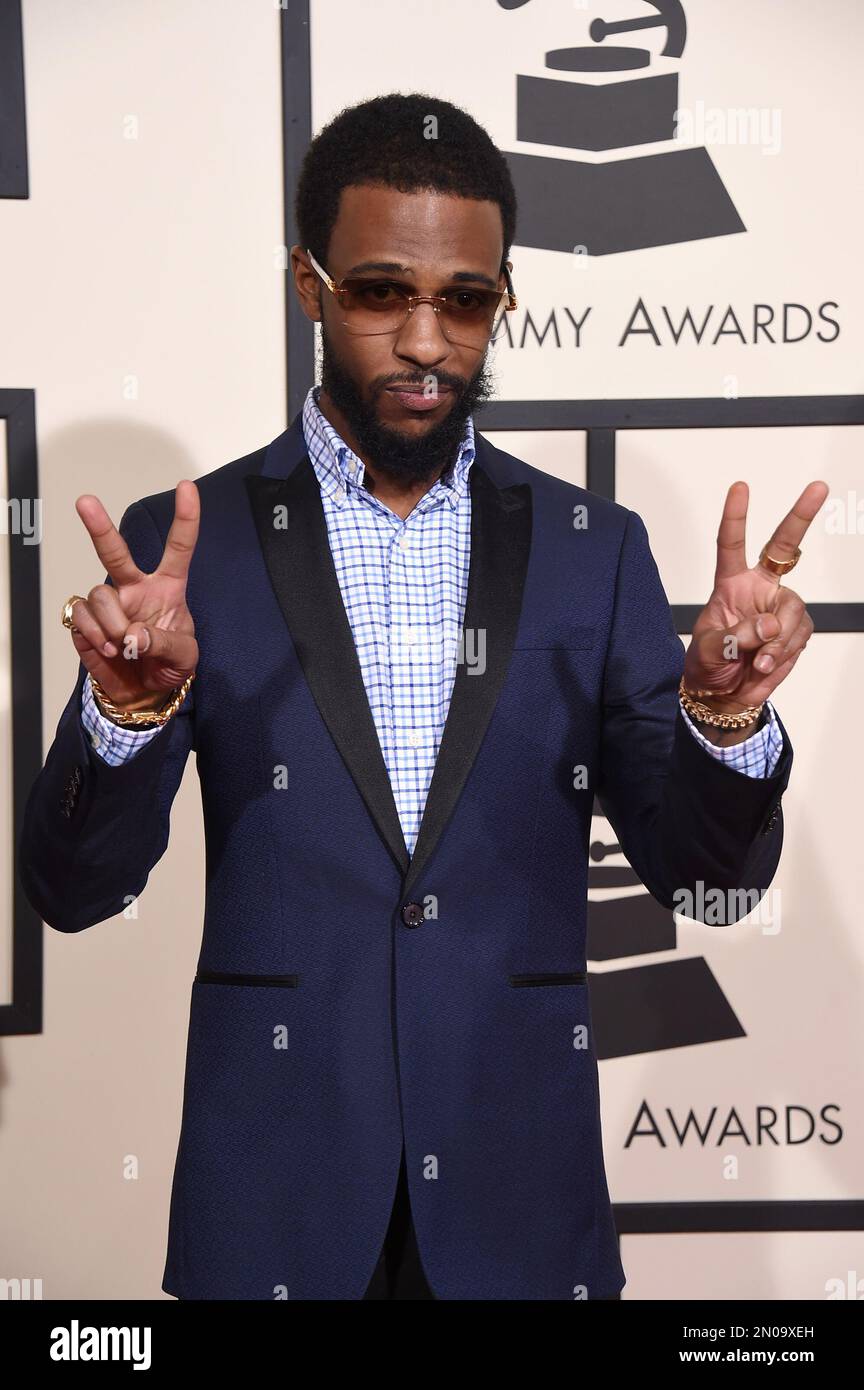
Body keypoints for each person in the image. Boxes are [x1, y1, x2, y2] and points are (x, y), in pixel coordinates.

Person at [18, 92, 824, 1301]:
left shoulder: (589, 548)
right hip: (275, 1208)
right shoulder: (192, 548)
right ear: (311, 285)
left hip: (521, 1206)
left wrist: (727, 718)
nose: (428, 343)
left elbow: (710, 881)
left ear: (501, 299)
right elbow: (74, 893)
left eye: (465, 300)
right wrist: (126, 715)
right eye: (383, 292)